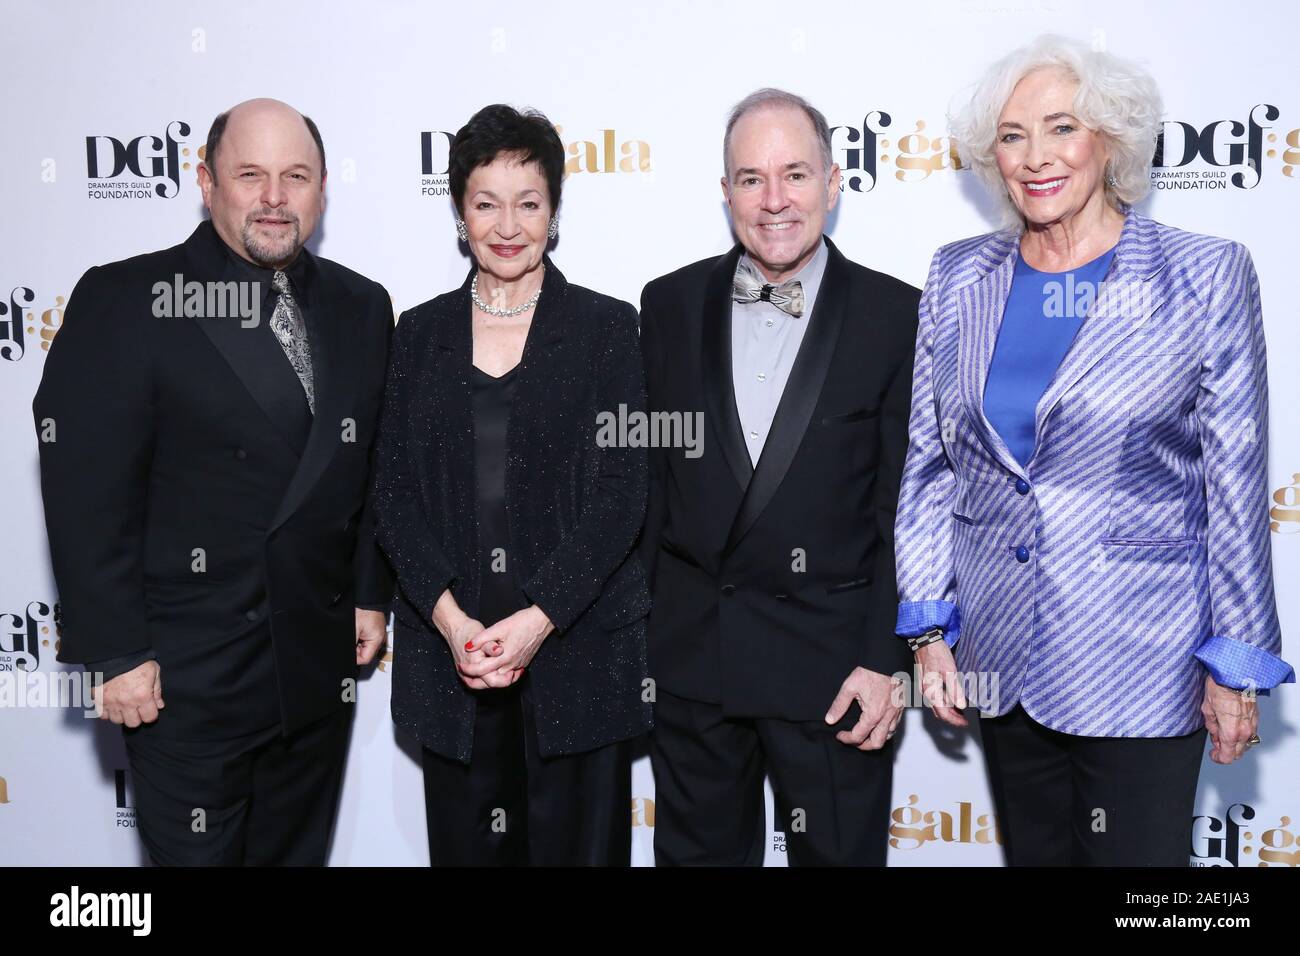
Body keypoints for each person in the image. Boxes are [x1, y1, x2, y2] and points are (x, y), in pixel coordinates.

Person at [895, 35, 1294, 866]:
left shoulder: (1203, 276)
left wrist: (1237, 663)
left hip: (1142, 662)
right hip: (1000, 660)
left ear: (1109, 138)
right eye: (1012, 135)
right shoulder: (959, 277)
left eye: (1061, 127)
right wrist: (930, 632)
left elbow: (1234, 481)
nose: (1035, 158)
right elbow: (932, 468)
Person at [33, 98, 395, 865]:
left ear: (323, 188)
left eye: (295, 177)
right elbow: (82, 488)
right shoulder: (129, 299)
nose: (273, 198)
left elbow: (366, 468)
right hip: (187, 681)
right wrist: (116, 651)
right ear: (205, 181)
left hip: (312, 674)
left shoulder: (362, 306)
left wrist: (369, 590)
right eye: (250, 175)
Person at [637, 89, 919, 866]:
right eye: (751, 178)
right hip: (696, 666)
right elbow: (653, 491)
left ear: (834, 182)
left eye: (795, 174)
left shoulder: (897, 317)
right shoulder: (666, 304)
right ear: (724, 191)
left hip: (834, 675)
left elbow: (907, 509)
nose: (774, 201)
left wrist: (885, 660)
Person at [371, 104, 651, 866]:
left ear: (554, 212)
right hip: (451, 659)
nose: (507, 224)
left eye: (528, 203)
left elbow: (623, 495)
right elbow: (390, 495)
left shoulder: (606, 329)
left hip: (577, 655)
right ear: (460, 214)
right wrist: (454, 622)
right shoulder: (417, 335)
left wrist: (537, 619)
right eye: (486, 203)